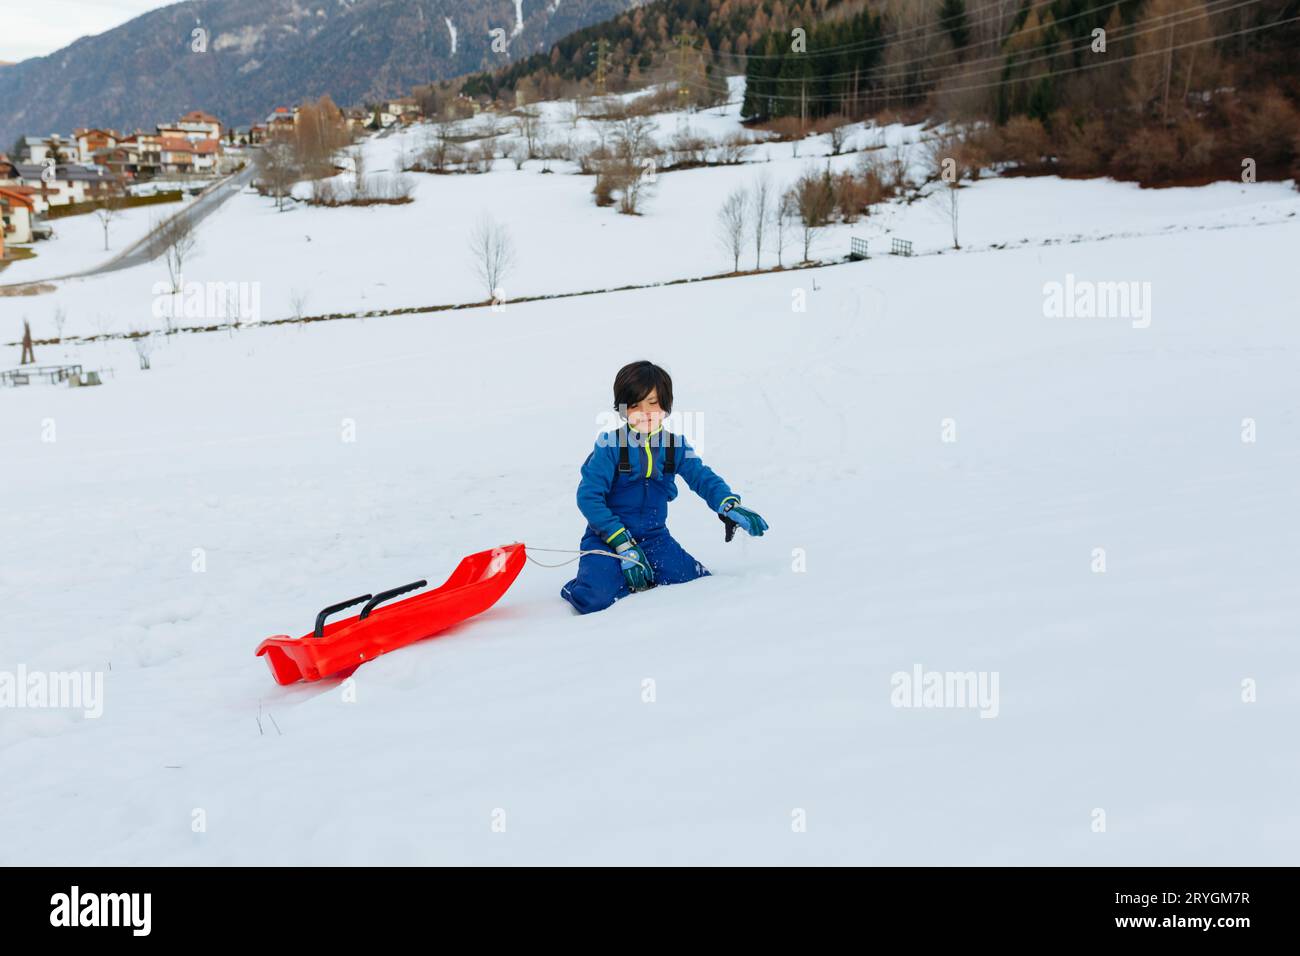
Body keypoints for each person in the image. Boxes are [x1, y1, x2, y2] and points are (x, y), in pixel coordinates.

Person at [560, 361, 769, 614]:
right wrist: (622, 543)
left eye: (653, 402)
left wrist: (728, 503)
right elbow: (589, 497)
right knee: (594, 599)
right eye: (635, 405)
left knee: (695, 583)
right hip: (607, 539)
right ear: (623, 410)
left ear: (666, 405)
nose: (644, 412)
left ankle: (636, 571)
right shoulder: (610, 446)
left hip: (654, 539)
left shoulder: (674, 445)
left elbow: (701, 476)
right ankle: (586, 582)